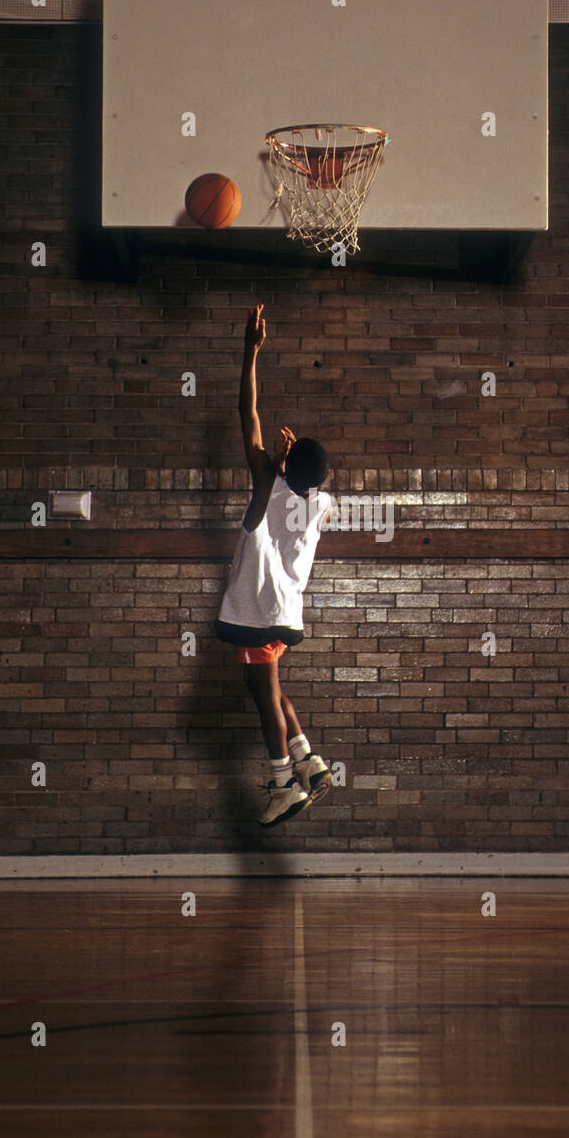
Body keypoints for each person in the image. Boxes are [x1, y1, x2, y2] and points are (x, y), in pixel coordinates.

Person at [214, 304, 334, 826]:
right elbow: (300, 486)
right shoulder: (319, 503)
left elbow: (249, 413)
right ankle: (307, 757)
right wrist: (289, 464)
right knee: (265, 686)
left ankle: (284, 781)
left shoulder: (266, 482)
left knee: (264, 698)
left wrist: (250, 351)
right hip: (286, 610)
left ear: (284, 462)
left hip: (258, 607)